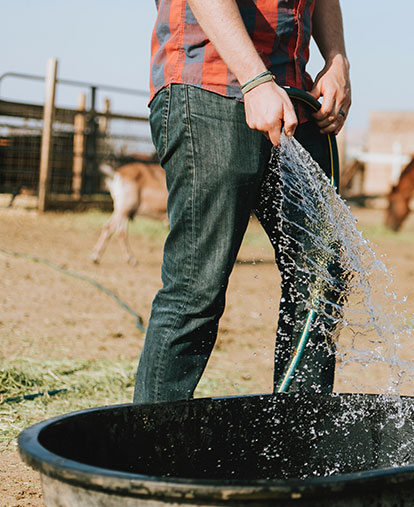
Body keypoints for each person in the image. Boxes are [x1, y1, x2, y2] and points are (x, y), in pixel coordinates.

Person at [133, 0, 351, 403]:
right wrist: (254, 80)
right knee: (197, 286)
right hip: (210, 87)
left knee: (323, 276)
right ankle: (153, 450)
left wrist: (337, 60)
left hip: (292, 94)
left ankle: (298, 441)